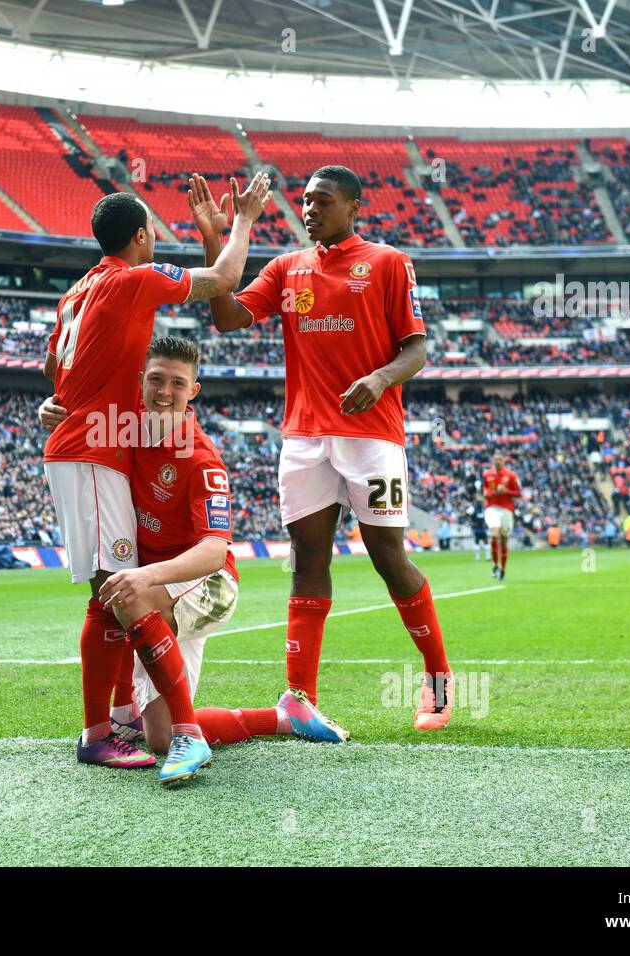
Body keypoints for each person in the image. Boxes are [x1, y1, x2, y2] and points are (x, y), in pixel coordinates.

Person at [196, 166, 453, 731]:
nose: (310, 209)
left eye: (324, 201)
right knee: (307, 563)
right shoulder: (287, 268)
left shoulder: (387, 262)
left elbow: (417, 350)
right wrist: (217, 238)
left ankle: (438, 681)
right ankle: (299, 699)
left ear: (354, 207)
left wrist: (382, 378)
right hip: (305, 438)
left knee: (389, 558)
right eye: (306, 201)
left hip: (372, 436)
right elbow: (225, 317)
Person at [40, 176, 272, 780]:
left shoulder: (77, 290)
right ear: (142, 237)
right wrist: (240, 223)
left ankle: (120, 718)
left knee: (112, 592)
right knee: (109, 593)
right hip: (93, 451)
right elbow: (223, 282)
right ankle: (104, 733)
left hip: (87, 444)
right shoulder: (133, 280)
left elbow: (52, 366)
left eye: (177, 386)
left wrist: (64, 401)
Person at [42, 337, 345, 780]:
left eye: (177, 384)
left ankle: (190, 733)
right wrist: (51, 411)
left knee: (125, 593)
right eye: (156, 380)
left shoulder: (201, 458)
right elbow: (73, 394)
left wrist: (145, 577)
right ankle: (284, 716)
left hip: (210, 584)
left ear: (193, 392)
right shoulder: (126, 424)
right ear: (140, 382)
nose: (164, 392)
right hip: (161, 589)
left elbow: (213, 551)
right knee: (156, 737)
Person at [483, 453, 522, 580]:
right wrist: (487, 493)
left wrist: (506, 491)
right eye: (495, 459)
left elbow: (518, 493)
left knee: (504, 540)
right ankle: (495, 564)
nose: (497, 461)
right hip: (492, 508)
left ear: (503, 461)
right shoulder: (487, 474)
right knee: (494, 535)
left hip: (506, 510)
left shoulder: (511, 475)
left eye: (499, 459)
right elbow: (485, 489)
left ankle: (502, 568)